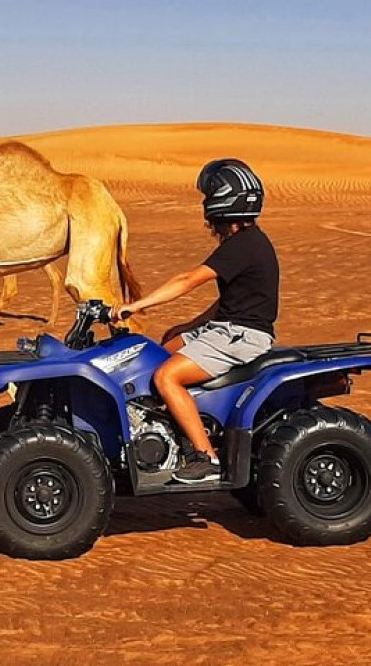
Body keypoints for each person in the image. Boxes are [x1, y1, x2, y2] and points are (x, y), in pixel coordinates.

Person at [116, 159, 280, 484]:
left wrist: (136, 305)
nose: (206, 208)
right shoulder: (245, 244)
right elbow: (229, 302)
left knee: (166, 376)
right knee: (163, 347)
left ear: (224, 203)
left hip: (244, 337)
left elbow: (189, 279)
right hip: (226, 329)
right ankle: (167, 428)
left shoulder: (245, 245)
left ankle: (205, 457)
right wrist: (189, 327)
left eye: (209, 198)